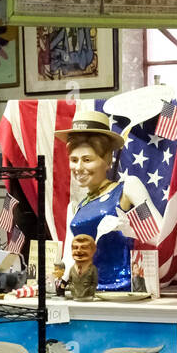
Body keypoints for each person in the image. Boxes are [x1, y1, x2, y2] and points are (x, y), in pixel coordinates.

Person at [54, 108, 145, 292]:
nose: (78, 167)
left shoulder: (127, 189)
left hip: (122, 296)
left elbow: (159, 234)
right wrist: (58, 282)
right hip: (85, 295)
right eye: (74, 159)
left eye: (87, 159)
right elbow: (69, 257)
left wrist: (130, 227)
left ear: (107, 160)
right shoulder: (76, 207)